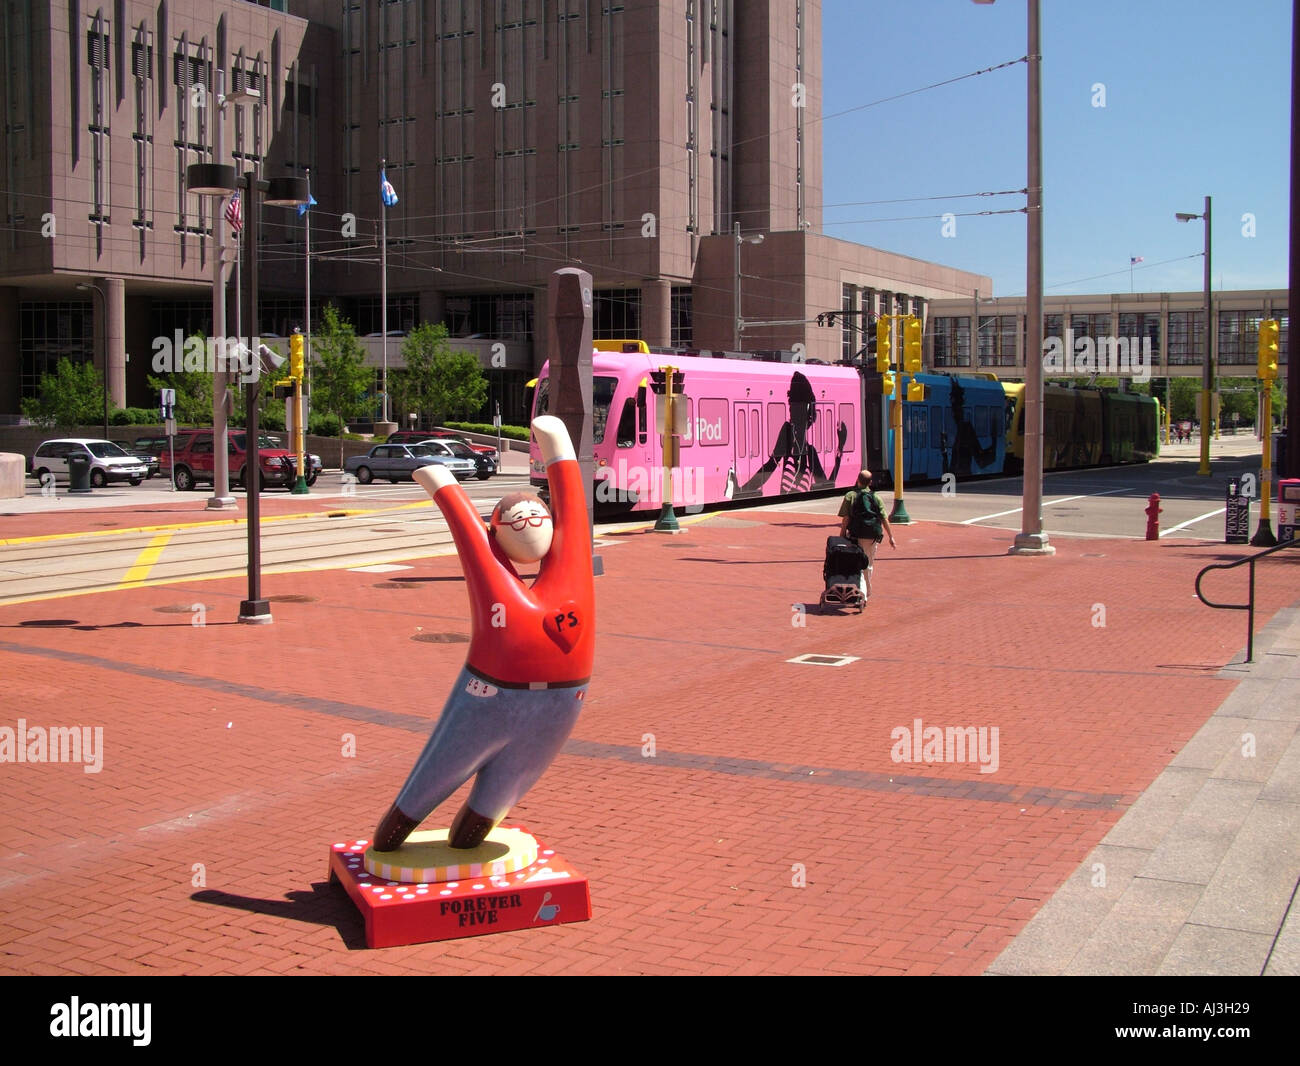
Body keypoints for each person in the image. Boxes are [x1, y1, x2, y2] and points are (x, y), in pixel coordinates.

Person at [372, 415, 594, 853]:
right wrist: (443, 487)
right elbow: (472, 538)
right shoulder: (496, 574)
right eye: (518, 520)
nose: (530, 524)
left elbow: (571, 508)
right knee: (433, 779)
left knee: (499, 794)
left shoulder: (571, 569)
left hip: (558, 703)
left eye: (537, 517)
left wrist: (559, 450)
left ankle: (464, 831)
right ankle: (397, 829)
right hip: (491, 695)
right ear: (499, 532)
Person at [837, 469, 896, 600]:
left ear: (857, 480)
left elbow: (846, 518)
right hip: (871, 536)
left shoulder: (850, 495)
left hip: (854, 534)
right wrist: (891, 536)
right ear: (870, 482)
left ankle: (860, 590)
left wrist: (842, 535)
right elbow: (883, 518)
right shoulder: (876, 497)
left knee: (854, 562)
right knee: (867, 564)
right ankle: (865, 592)